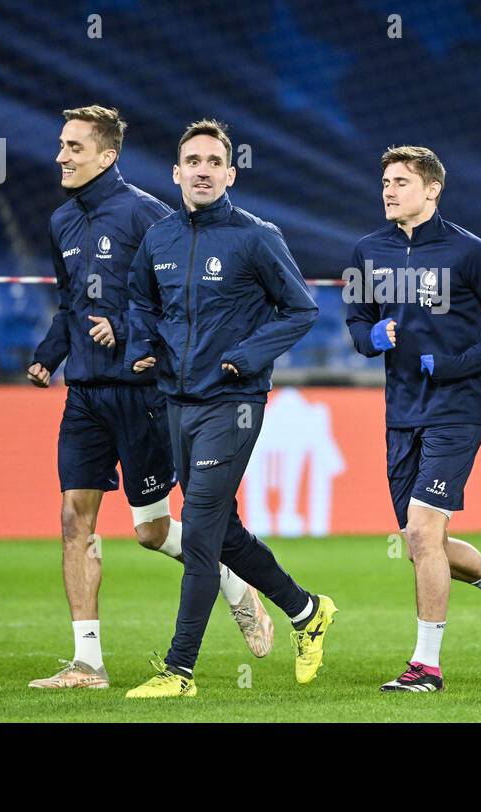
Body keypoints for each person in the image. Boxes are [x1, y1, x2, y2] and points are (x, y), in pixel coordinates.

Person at [26, 106, 273, 691]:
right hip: (84, 392)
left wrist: (138, 339)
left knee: (152, 532)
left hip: (144, 395)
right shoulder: (62, 220)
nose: (61, 156)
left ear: (107, 156)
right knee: (73, 519)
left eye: (73, 147)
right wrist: (48, 352)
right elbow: (69, 305)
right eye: (61, 145)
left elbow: (179, 302)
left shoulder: (148, 215)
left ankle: (238, 586)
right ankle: (88, 662)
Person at [122, 119, 332, 699]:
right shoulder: (159, 238)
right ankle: (306, 610)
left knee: (199, 537)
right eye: (193, 161)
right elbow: (140, 300)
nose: (203, 170)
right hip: (176, 400)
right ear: (176, 173)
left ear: (230, 173)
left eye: (215, 161)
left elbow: (301, 309)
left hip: (234, 402)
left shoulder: (256, 236)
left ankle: (178, 671)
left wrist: (246, 355)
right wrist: (141, 347)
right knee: (224, 529)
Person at [346, 145, 481, 693]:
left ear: (432, 190)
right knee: (419, 541)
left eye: (401, 181)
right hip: (400, 413)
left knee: (425, 532)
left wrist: (458, 365)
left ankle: (425, 665)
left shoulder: (471, 252)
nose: (388, 190)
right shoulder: (367, 251)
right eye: (385, 181)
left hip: (455, 412)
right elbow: (358, 323)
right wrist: (371, 338)